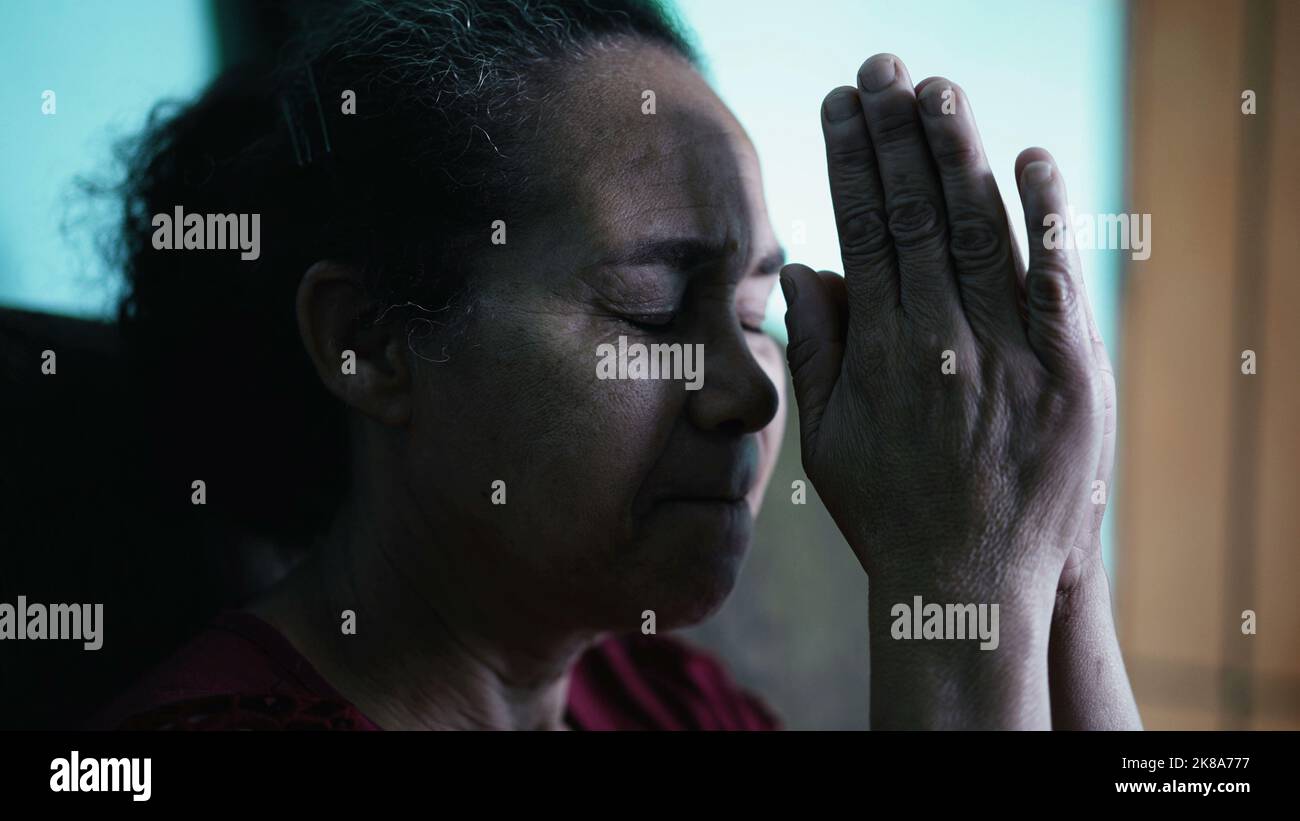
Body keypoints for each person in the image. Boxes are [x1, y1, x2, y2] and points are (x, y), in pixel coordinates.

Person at [95, 0, 1139, 730]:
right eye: (651, 303)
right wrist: (962, 583)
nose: (752, 392)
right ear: (369, 341)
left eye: (755, 308)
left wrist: (1053, 545)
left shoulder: (672, 704)